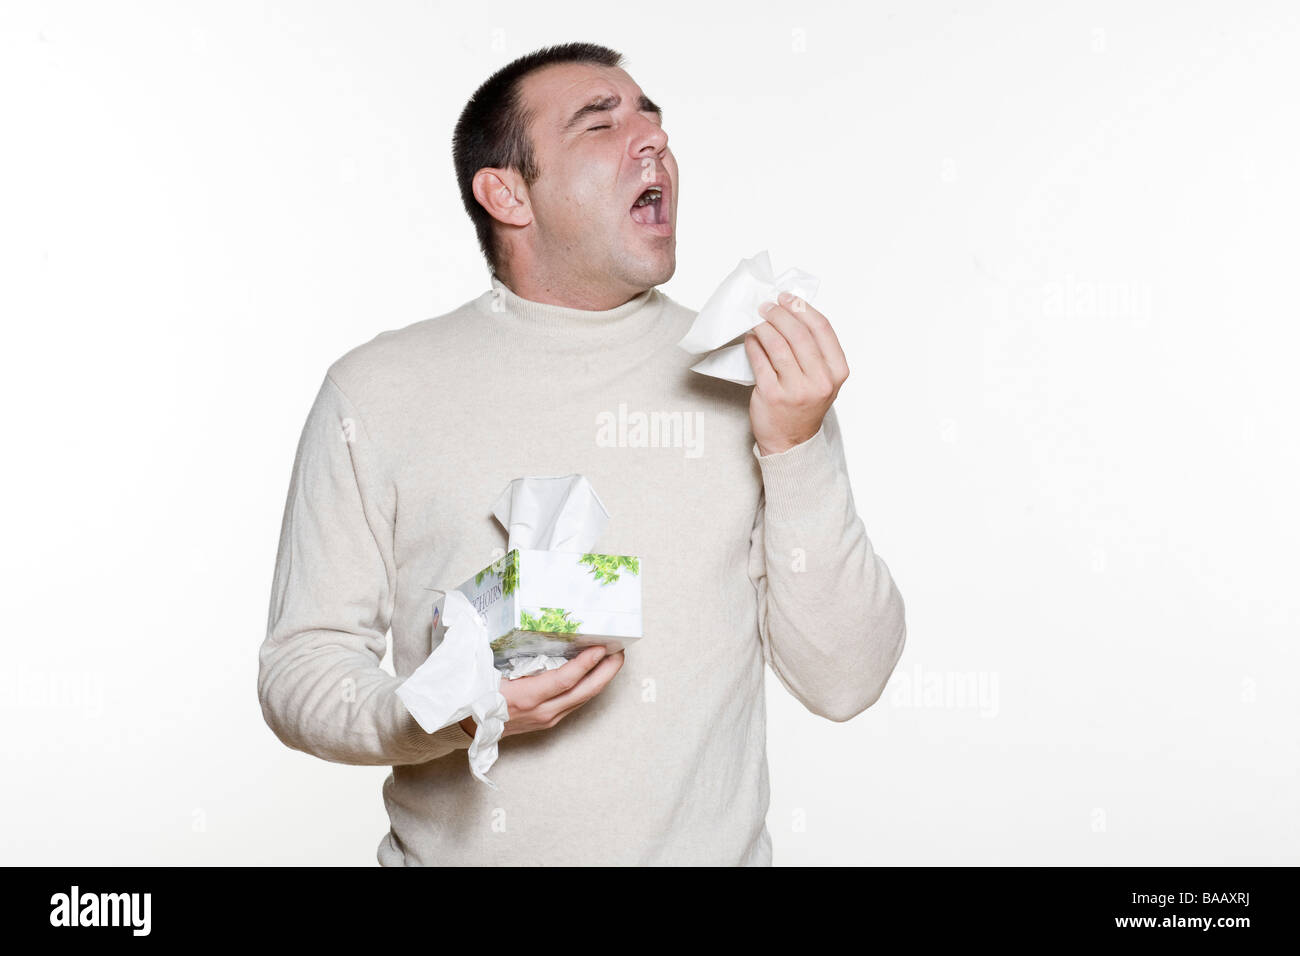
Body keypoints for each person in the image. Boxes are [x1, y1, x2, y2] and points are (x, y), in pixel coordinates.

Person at [258, 41, 906, 866]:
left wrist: (799, 443)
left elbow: (847, 681)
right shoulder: (375, 391)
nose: (652, 143)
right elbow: (298, 670)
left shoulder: (756, 380)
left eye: (654, 121)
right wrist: (446, 712)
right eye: (601, 123)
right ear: (506, 192)